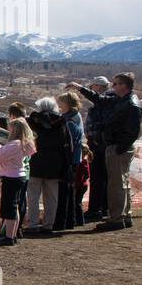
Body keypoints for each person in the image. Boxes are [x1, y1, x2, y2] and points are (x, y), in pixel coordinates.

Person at [69, 73, 142, 231]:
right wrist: (81, 88)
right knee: (122, 183)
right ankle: (125, 215)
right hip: (116, 146)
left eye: (115, 84)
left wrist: (118, 148)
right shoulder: (121, 100)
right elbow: (100, 99)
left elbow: (132, 132)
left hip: (118, 148)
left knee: (116, 185)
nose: (112, 86)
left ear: (124, 86)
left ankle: (116, 219)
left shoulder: (130, 104)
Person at [0, 117, 36, 246]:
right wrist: (0, 149)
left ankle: (9, 237)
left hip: (11, 177)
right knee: (14, 207)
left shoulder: (16, 144)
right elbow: (6, 153)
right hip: (19, 176)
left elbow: (1, 155)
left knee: (10, 207)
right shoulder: (25, 143)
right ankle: (11, 235)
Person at [25, 97, 71, 236]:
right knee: (51, 197)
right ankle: (48, 225)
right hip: (55, 165)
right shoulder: (62, 123)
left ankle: (33, 224)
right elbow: (67, 146)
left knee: (33, 197)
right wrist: (67, 165)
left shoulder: (32, 122)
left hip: (35, 162)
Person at [70, 76, 112, 221]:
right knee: (103, 177)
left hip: (99, 144)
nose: (92, 89)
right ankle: (103, 208)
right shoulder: (107, 102)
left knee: (98, 177)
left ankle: (96, 209)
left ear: (98, 86)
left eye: (92, 86)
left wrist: (96, 138)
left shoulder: (104, 102)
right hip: (98, 143)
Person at [53, 91, 85, 229]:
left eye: (61, 101)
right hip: (73, 159)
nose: (59, 104)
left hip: (69, 159)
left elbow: (68, 141)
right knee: (70, 191)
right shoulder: (74, 117)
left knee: (65, 191)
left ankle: (63, 221)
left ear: (67, 103)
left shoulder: (70, 121)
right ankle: (73, 219)